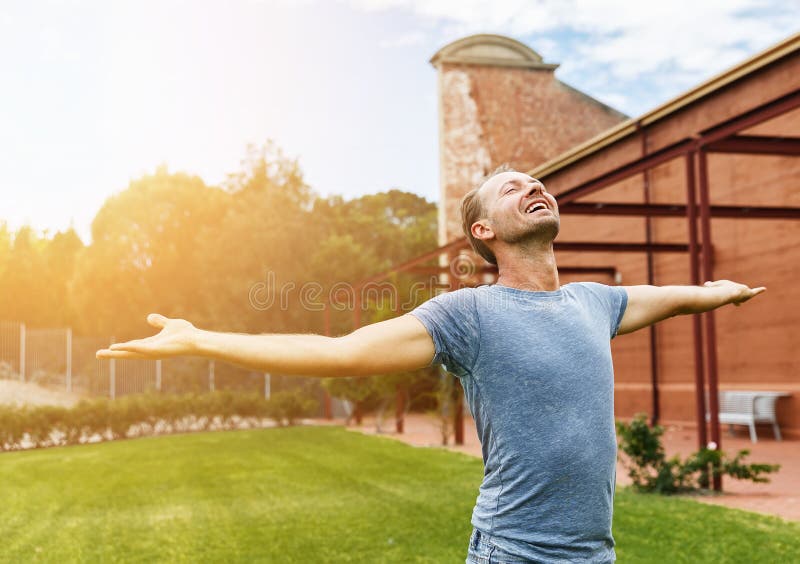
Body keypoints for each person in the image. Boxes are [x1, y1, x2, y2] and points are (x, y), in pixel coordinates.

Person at [97, 166, 765, 563]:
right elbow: (340, 352)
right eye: (511, 188)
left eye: (534, 182)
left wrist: (718, 293)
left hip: (595, 553)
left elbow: (670, 298)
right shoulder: (468, 314)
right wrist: (201, 339)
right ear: (484, 231)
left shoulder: (595, 302)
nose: (532, 185)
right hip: (515, 551)